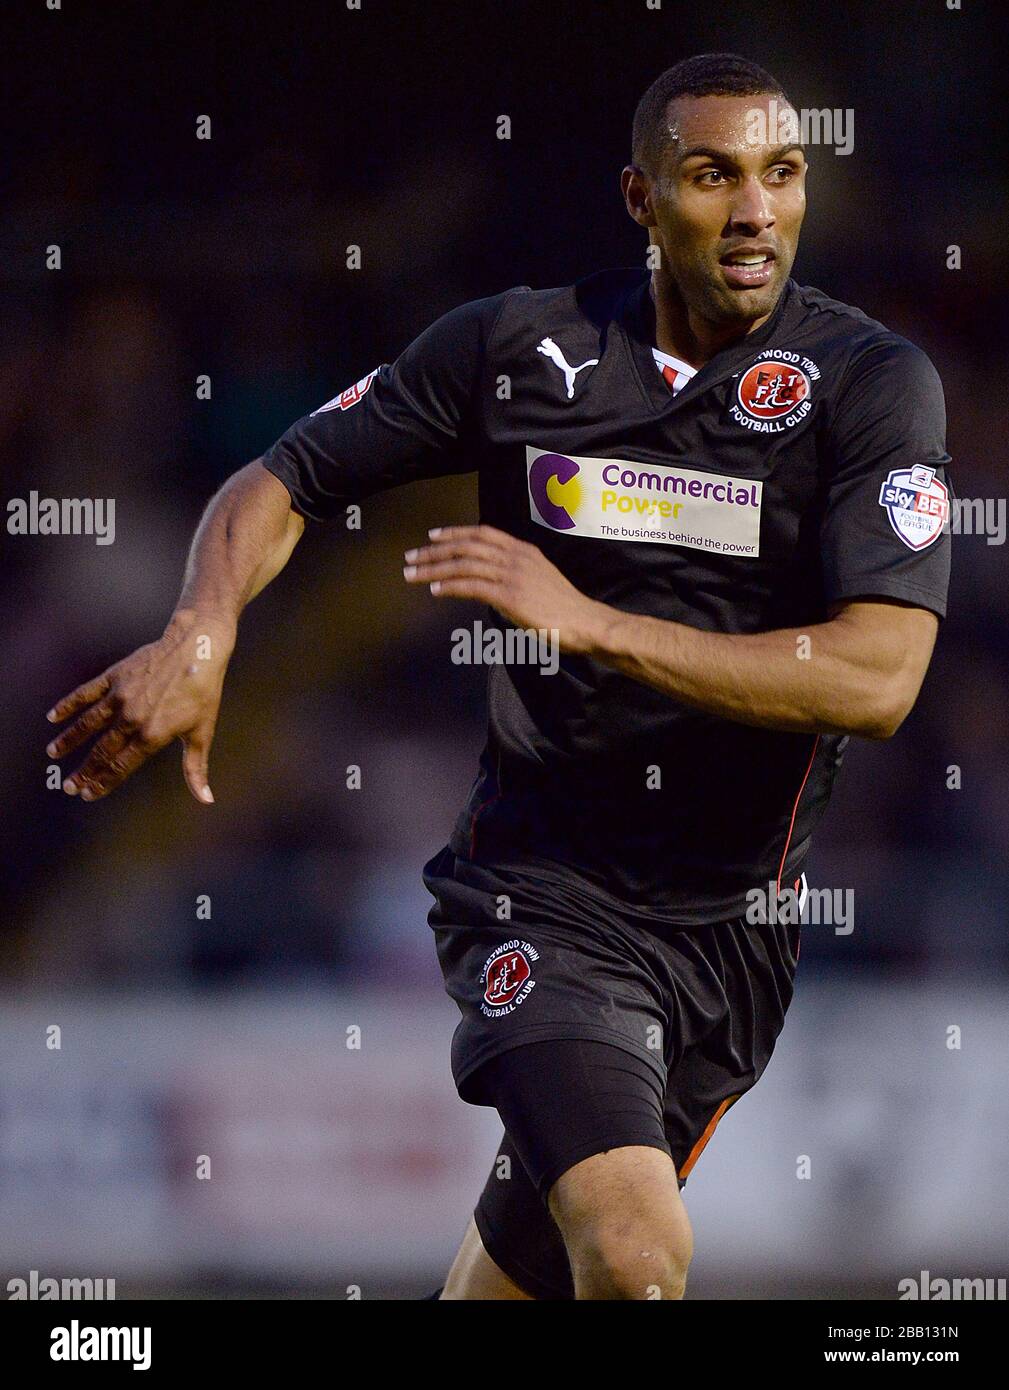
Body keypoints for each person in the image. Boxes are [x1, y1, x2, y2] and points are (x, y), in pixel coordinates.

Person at [46, 53, 952, 1299]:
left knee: (520, 1278)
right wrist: (203, 628)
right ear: (641, 198)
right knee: (634, 1254)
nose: (756, 210)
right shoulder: (520, 347)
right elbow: (286, 476)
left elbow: (879, 677)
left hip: (736, 932)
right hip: (543, 895)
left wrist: (592, 623)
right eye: (713, 176)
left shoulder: (869, 384)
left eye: (781, 173)